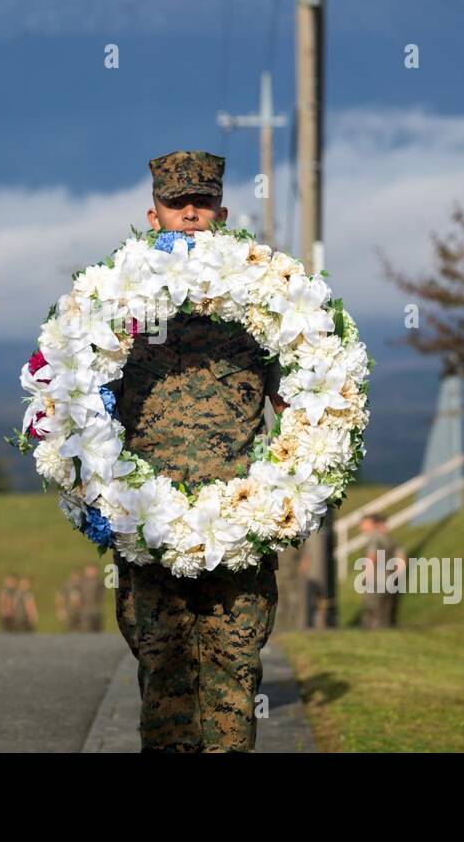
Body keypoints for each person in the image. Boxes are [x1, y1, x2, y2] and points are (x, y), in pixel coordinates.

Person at [111, 150, 284, 752]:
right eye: (177, 204)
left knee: (234, 677)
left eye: (202, 203)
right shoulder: (121, 302)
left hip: (237, 530)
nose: (190, 214)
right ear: (152, 215)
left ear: (223, 212)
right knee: (164, 679)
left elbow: (304, 406)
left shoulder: (263, 305)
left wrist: (284, 498)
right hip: (150, 529)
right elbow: (83, 406)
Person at [358, 514, 405, 629]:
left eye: (364, 523)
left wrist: (365, 577)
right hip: (389, 580)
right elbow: (402, 559)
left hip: (375, 582)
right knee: (387, 615)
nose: (360, 527)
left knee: (373, 614)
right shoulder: (390, 540)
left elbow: (371, 557)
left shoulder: (374, 538)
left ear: (372, 524)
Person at [80, 562, 105, 632]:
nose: (92, 572)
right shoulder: (81, 581)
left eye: (93, 570)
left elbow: (101, 594)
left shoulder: (99, 581)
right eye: (90, 570)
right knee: (86, 629)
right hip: (84, 609)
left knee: (97, 629)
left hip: (96, 609)